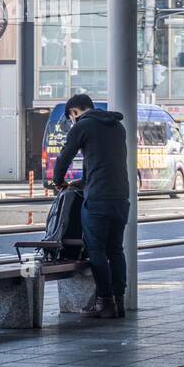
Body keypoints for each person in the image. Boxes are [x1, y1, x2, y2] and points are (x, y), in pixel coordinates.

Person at [52, 93, 129, 319]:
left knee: (96, 250)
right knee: (116, 249)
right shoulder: (116, 126)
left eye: (71, 117)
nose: (72, 121)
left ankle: (105, 302)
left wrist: (58, 181)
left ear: (74, 112)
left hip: (98, 199)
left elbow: (65, 157)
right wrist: (83, 181)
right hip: (121, 197)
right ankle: (119, 301)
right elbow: (101, 160)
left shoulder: (82, 126)